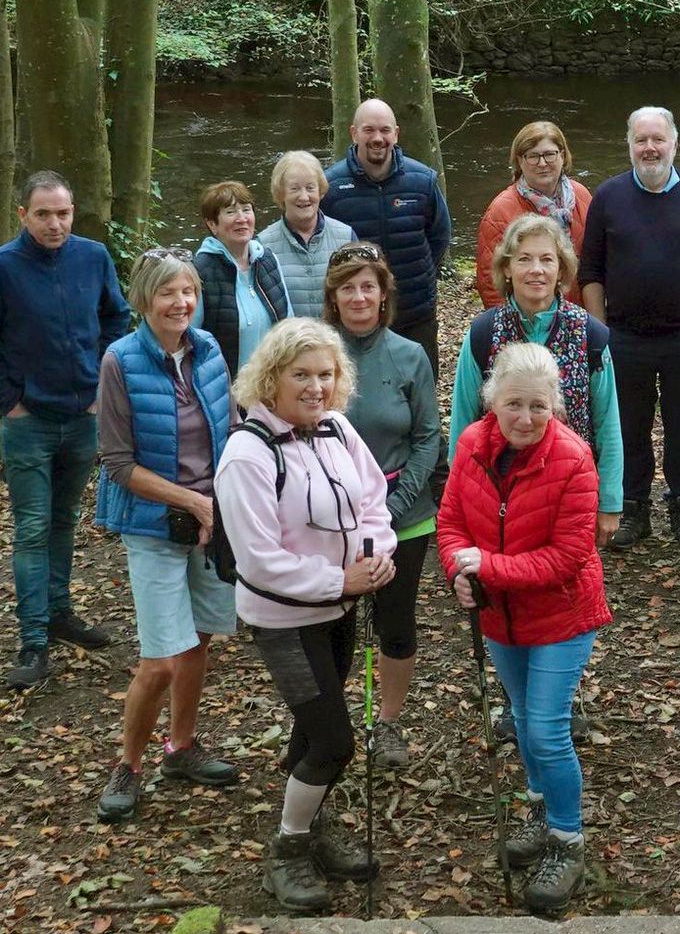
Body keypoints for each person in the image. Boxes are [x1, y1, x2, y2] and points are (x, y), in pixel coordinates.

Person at [216, 318, 397, 914]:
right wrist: (336, 579)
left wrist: (374, 558)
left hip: (341, 606)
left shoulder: (338, 430)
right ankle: (288, 850)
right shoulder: (247, 455)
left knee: (310, 728)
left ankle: (312, 830)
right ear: (271, 379)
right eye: (302, 375)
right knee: (332, 739)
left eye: (326, 374)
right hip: (282, 620)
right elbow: (259, 560)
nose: (316, 386)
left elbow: (373, 502)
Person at [439, 342, 612, 916]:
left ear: (554, 405)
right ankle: (540, 809)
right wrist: (458, 573)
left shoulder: (573, 457)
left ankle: (567, 839)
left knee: (544, 729)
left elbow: (568, 556)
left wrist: (486, 568)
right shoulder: (470, 445)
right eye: (514, 403)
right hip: (500, 615)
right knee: (518, 720)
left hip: (563, 613)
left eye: (538, 406)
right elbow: (451, 523)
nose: (526, 418)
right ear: (492, 401)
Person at [0, 171, 132, 689]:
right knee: (33, 528)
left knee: (64, 522)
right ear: (23, 215)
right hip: (29, 423)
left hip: (82, 418)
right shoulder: (1, 268)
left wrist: (98, 388)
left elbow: (116, 317)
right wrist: (10, 402)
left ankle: (59, 612)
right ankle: (33, 641)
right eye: (43, 214)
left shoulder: (92, 256)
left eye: (62, 213)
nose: (55, 223)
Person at [94, 249, 238, 823]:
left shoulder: (208, 351)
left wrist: (224, 504)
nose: (181, 304)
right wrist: (191, 501)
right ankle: (127, 765)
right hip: (154, 523)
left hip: (210, 522)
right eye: (168, 294)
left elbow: (227, 434)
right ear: (144, 300)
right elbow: (117, 463)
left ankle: (180, 748)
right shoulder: (120, 362)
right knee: (160, 658)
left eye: (189, 293)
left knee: (199, 641)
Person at [579, 106, 680, 550]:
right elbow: (590, 271)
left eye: (658, 139)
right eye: (641, 140)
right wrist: (600, 336)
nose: (650, 148)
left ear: (674, 143)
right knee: (628, 427)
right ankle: (634, 507)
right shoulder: (608, 196)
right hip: (624, 337)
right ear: (629, 145)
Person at [325, 242, 440, 769]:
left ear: (383, 293)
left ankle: (388, 721)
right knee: (333, 624)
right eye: (348, 286)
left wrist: (395, 504)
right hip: (330, 516)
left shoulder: (410, 355)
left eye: (367, 285)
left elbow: (428, 436)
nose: (358, 296)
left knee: (395, 621)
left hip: (403, 513)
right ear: (334, 296)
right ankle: (328, 722)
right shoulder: (316, 355)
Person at [450, 215, 623, 548]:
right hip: (496, 489)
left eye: (547, 259)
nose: (536, 270)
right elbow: (462, 422)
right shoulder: (484, 333)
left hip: (569, 489)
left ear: (561, 270)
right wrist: (458, 496)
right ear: (506, 269)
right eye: (524, 259)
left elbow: (608, 423)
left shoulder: (590, 334)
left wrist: (610, 501)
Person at [321, 98, 453, 379]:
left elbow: (439, 237)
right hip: (355, 317)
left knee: (420, 390)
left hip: (414, 312)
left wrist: (425, 278)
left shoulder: (423, 181)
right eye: (369, 130)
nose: (377, 138)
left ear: (396, 133)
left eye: (384, 130)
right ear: (354, 133)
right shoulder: (331, 187)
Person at [475, 122, 593, 308]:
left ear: (562, 156)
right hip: (527, 319)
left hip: (577, 317)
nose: (542, 163)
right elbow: (491, 281)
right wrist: (511, 326)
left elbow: (595, 261)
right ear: (520, 161)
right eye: (533, 156)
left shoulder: (582, 196)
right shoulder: (501, 210)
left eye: (549, 154)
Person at [193, 180, 290, 380]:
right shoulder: (199, 271)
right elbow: (190, 339)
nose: (242, 219)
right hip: (224, 391)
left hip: (272, 388)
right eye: (230, 212)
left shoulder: (268, 260)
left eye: (246, 210)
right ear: (212, 224)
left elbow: (288, 322)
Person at [257, 151, 357, 318]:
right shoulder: (262, 246)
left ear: (321, 191)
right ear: (281, 193)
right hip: (288, 343)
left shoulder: (346, 237)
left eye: (310, 188)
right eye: (294, 188)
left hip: (338, 342)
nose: (304, 197)